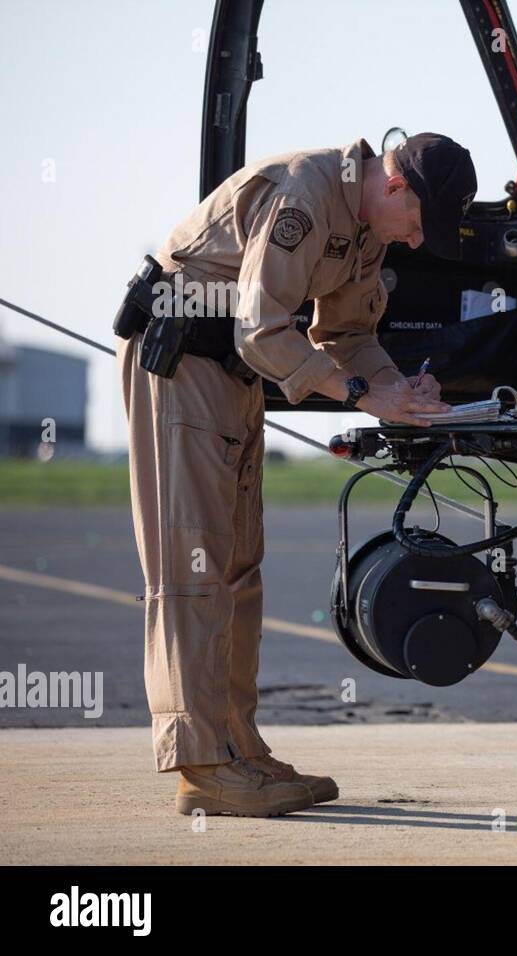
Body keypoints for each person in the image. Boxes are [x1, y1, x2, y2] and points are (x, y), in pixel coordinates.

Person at [114, 133, 476, 816]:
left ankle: (238, 748)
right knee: (192, 566)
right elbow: (260, 328)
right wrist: (362, 394)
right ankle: (200, 765)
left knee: (238, 568)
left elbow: (347, 336)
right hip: (180, 365)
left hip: (230, 377)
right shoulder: (306, 196)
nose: (418, 242)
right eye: (420, 224)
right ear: (396, 186)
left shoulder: (368, 231)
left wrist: (399, 390)